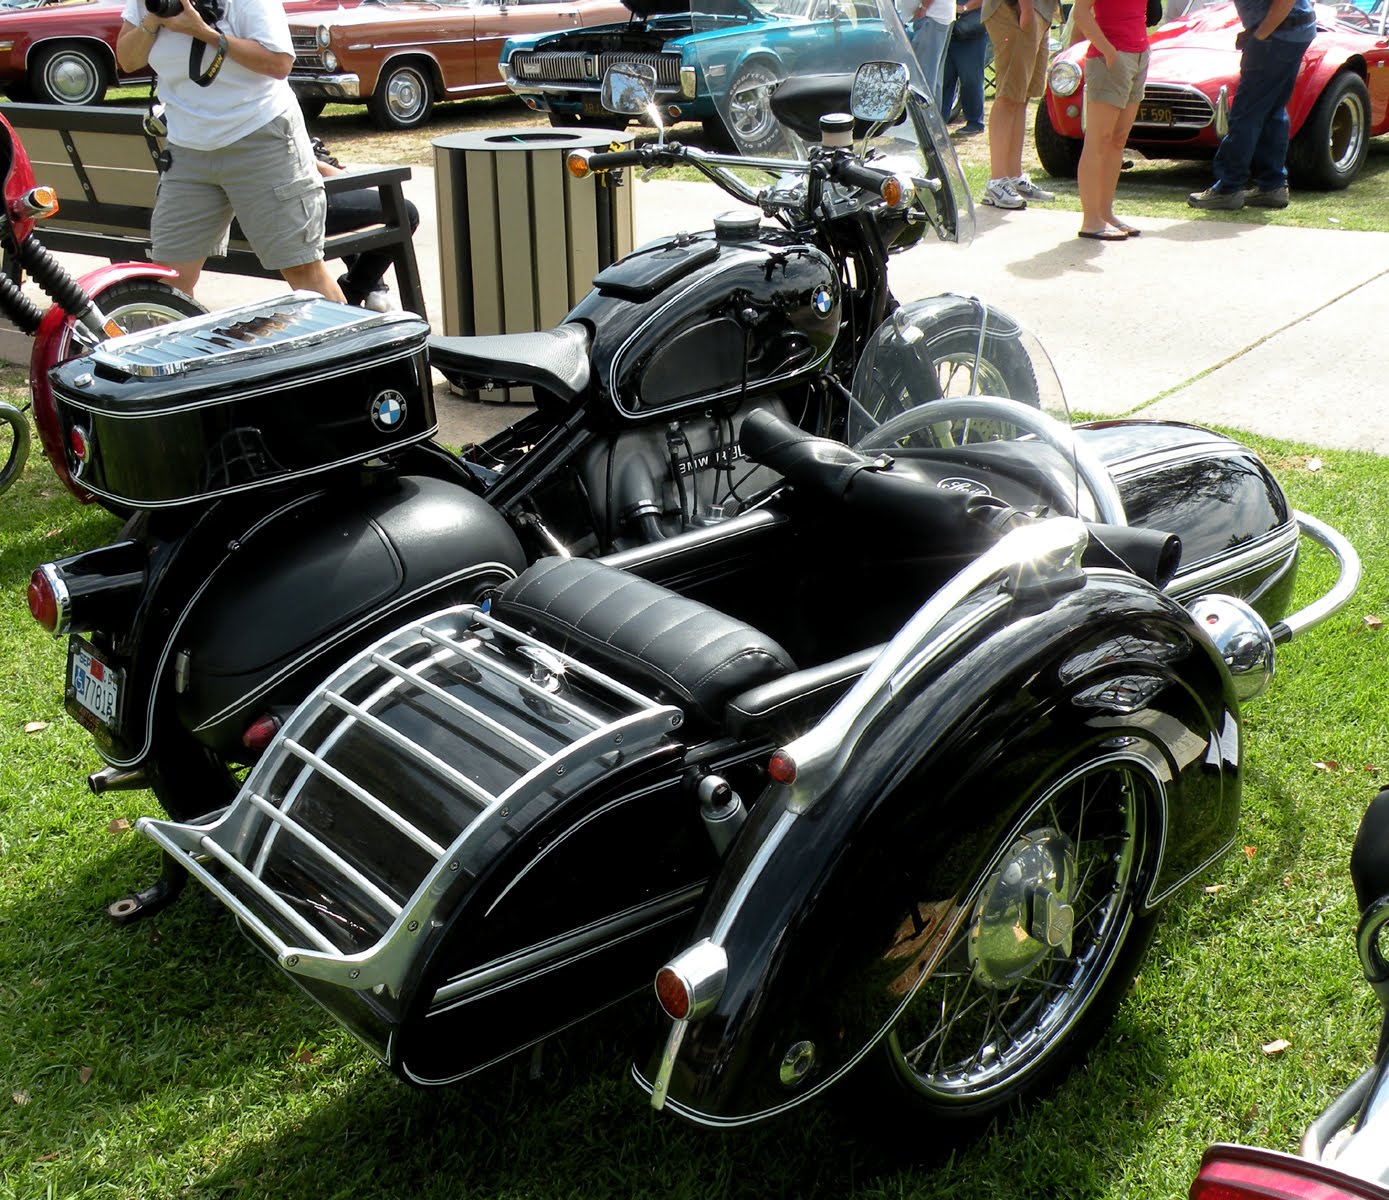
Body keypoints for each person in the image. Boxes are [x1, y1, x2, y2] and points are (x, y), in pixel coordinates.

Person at [115, 0, 345, 303]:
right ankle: (185, 350)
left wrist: (204, 33)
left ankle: (358, 349)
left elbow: (279, 63)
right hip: (188, 149)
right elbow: (127, 60)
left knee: (301, 268)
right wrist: (153, 21)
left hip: (259, 137)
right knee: (169, 276)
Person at [1186, 0, 1315, 210]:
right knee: (1272, 111)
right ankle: (1272, 185)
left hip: (1277, 34)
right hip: (1290, 31)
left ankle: (1228, 188)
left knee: (1246, 113)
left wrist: (1260, 36)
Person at [311, 138, 421, 312]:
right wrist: (333, 171)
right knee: (406, 213)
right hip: (297, 206)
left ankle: (373, 291)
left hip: (258, 216)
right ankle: (355, 295)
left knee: (353, 210)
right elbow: (299, 160)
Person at [1072, 0, 1150, 239]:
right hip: (1111, 56)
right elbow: (1080, 13)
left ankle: (1106, 213)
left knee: (1118, 139)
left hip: (1138, 52)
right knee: (1099, 138)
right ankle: (1091, 220)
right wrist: (1108, 50)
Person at [980, 0, 1061, 208]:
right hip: (1014, 9)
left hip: (1040, 11)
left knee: (1021, 96)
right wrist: (1025, 9)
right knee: (1009, 95)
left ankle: (1014, 177)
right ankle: (997, 181)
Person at [942, 0, 990, 135]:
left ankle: (975, 122)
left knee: (970, 78)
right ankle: (939, 121)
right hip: (948, 29)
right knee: (945, 77)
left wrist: (964, 8)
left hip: (971, 31)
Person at [913, 0, 957, 106]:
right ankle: (933, 118)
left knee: (924, 79)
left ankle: (926, 119)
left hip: (931, 15)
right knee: (934, 77)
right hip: (939, 16)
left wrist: (923, 8)